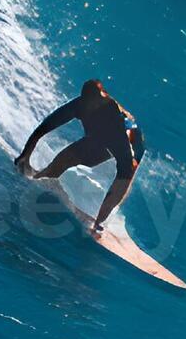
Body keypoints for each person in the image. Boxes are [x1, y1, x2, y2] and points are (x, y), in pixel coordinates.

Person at [17, 79, 143, 235]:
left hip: (126, 143)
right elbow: (45, 127)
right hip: (98, 138)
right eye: (88, 104)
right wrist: (25, 156)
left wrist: (98, 222)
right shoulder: (80, 105)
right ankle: (41, 178)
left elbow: (126, 171)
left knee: (125, 174)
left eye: (95, 104)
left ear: (101, 100)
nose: (91, 107)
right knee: (62, 161)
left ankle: (100, 221)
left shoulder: (117, 118)